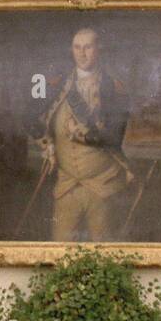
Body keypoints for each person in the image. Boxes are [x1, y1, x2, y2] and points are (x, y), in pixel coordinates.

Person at [33, 26, 133, 242]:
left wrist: (81, 135)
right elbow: (35, 119)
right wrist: (47, 144)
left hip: (103, 185)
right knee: (59, 251)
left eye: (88, 47)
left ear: (98, 49)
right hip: (66, 185)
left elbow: (114, 137)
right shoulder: (57, 85)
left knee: (103, 253)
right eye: (77, 47)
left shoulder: (114, 88)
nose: (82, 53)